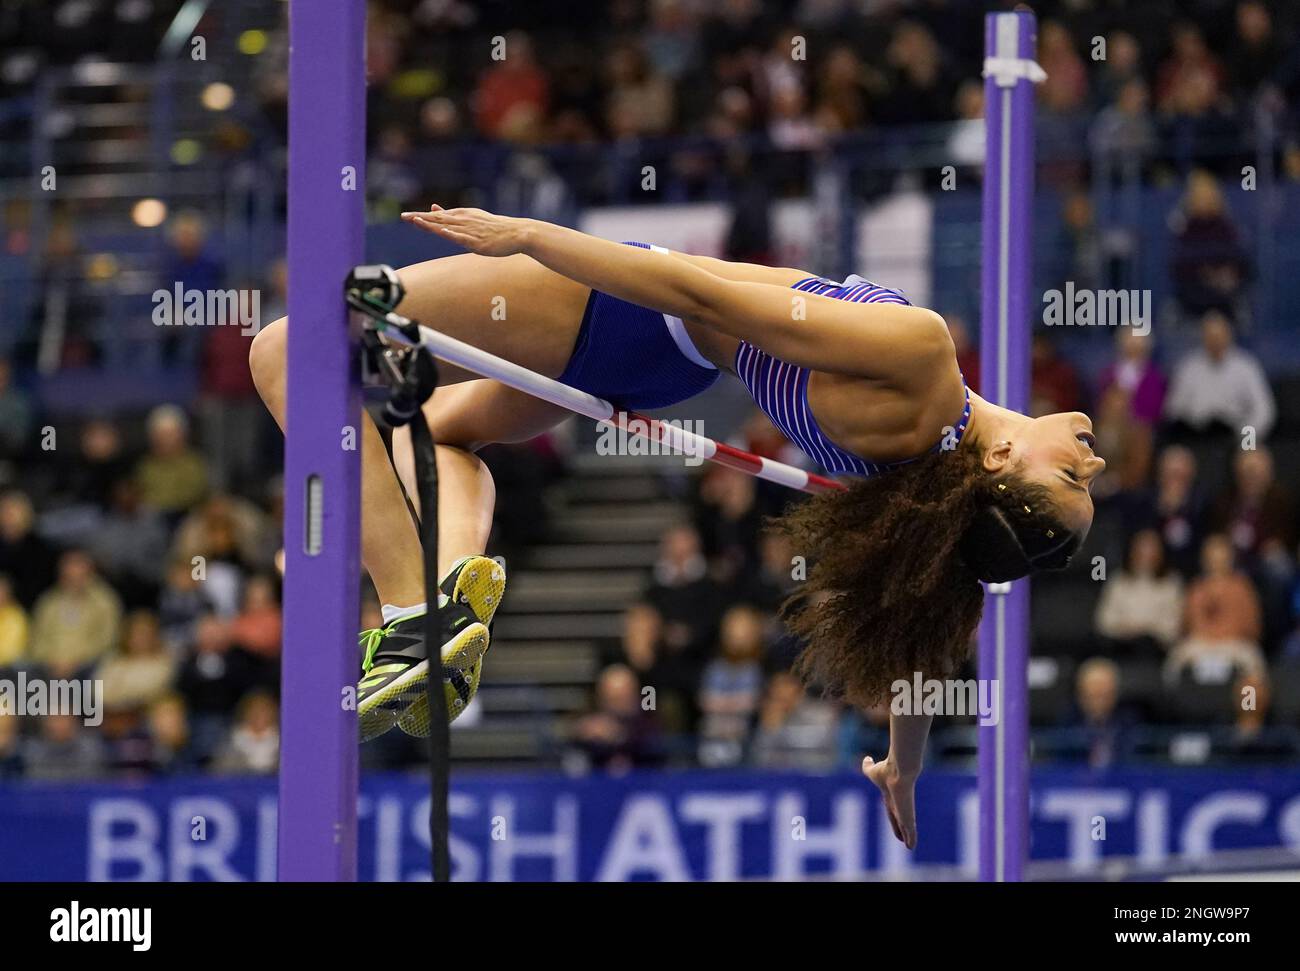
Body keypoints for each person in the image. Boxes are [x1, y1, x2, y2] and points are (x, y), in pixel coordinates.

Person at [250, 207, 1106, 850]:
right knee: (443, 429)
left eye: (1070, 479)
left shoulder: (922, 361)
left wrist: (531, 237)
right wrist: (903, 763)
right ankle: (449, 592)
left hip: (626, 308)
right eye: (1087, 478)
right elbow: (932, 625)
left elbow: (703, 290)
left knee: (290, 350)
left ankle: (408, 612)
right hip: (666, 369)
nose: (1094, 461)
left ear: (998, 467)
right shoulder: (922, 489)